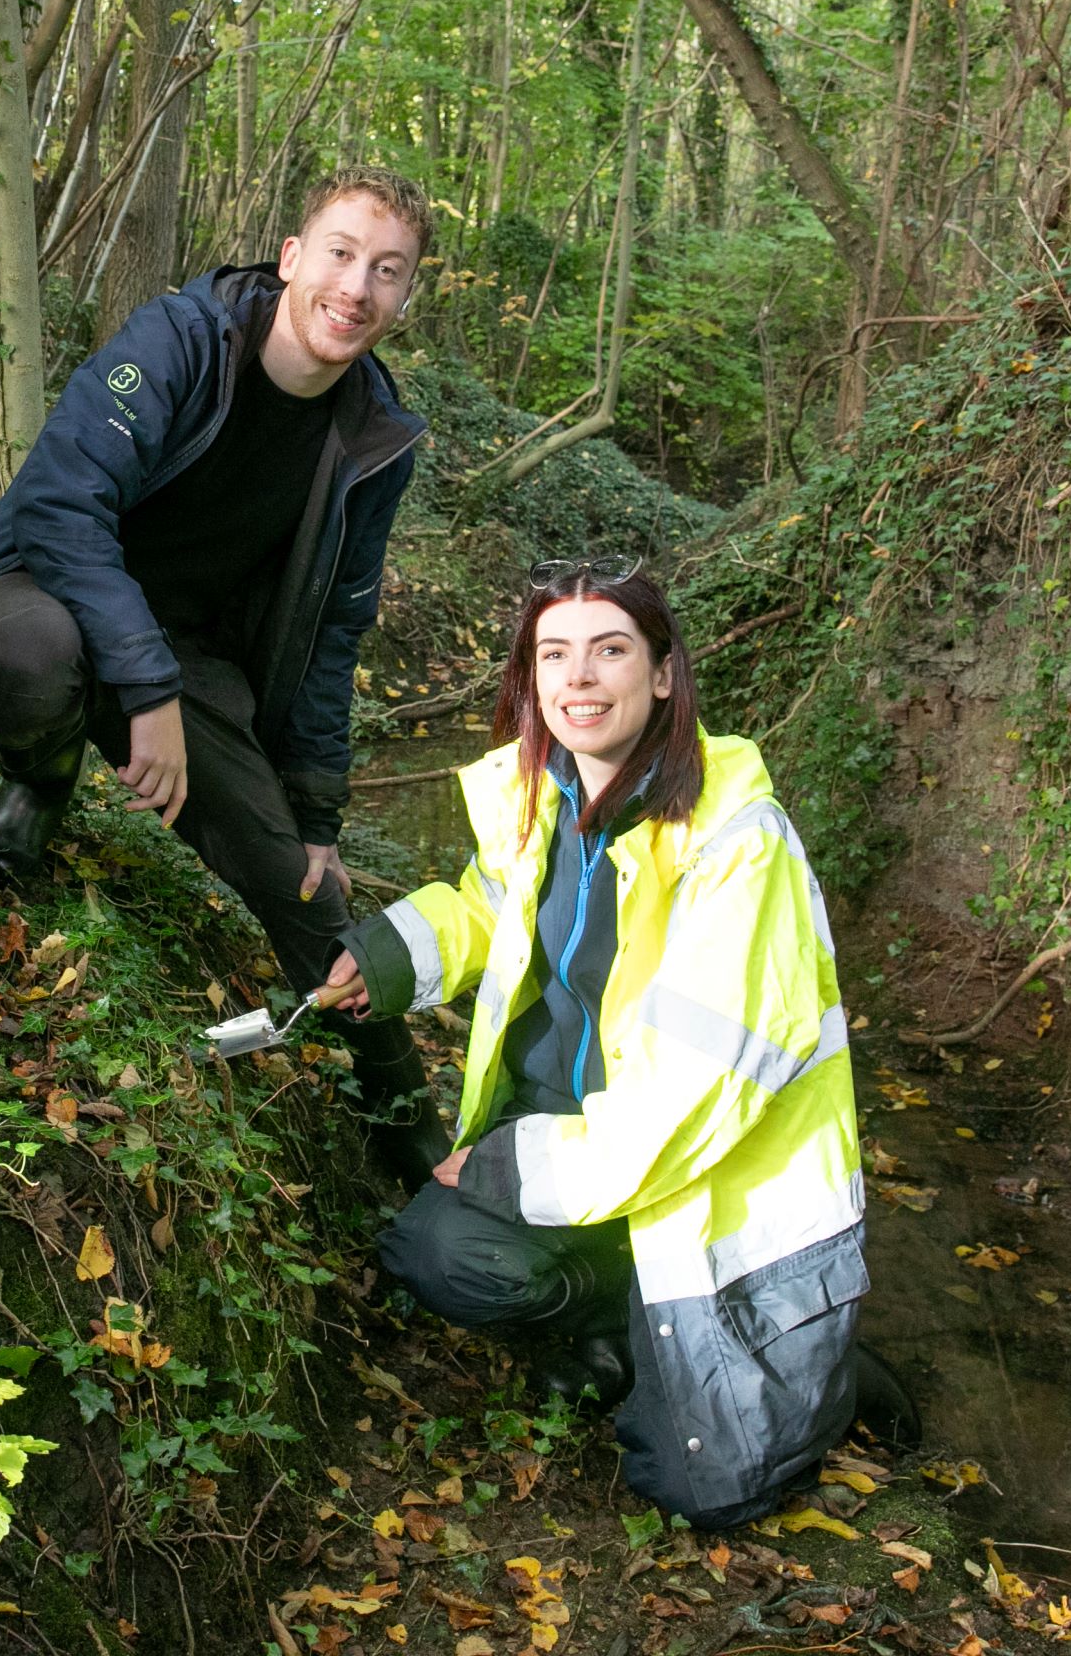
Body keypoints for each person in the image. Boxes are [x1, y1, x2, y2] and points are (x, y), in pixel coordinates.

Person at [0, 168, 443, 1184]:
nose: (356, 287)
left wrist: (316, 812)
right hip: (44, 591)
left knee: (297, 881)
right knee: (30, 659)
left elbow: (333, 631)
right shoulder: (181, 339)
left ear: (405, 296)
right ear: (292, 257)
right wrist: (144, 688)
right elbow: (62, 504)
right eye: (340, 253)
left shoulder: (374, 436)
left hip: (186, 654)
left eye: (387, 270)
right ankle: (40, 775)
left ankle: (407, 1119)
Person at [319, 560, 873, 1531]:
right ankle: (619, 1311)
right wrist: (391, 956)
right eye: (554, 654)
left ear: (662, 673)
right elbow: (493, 904)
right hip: (587, 1145)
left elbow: (684, 1110)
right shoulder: (542, 796)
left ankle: (812, 1357)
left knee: (705, 1491)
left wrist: (506, 1166)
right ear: (531, 678)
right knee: (435, 1252)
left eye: (609, 649)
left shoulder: (736, 843)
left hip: (709, 1185)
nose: (578, 676)